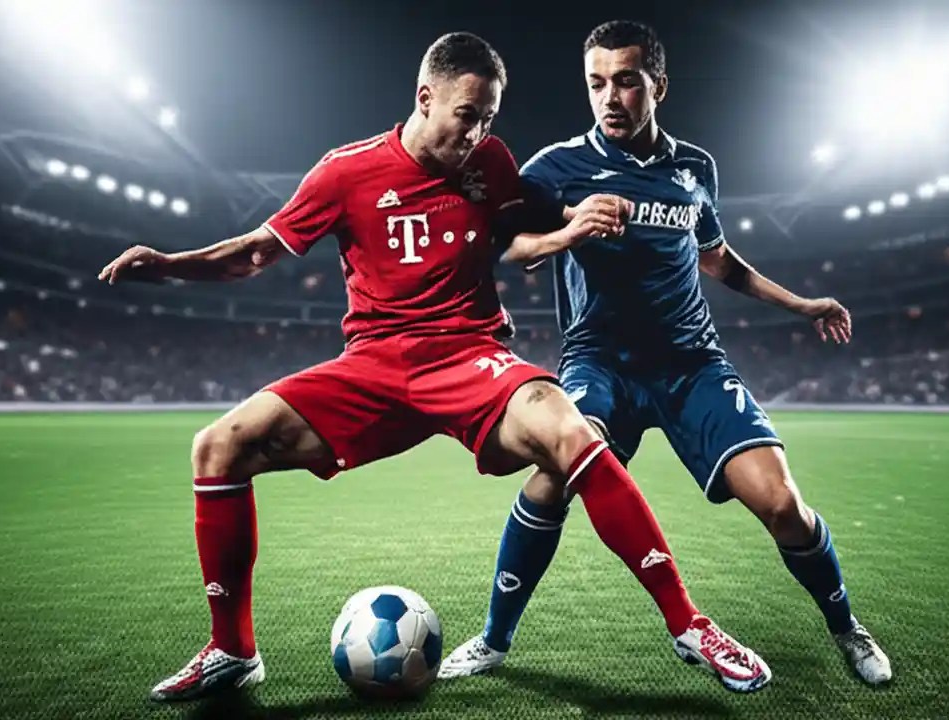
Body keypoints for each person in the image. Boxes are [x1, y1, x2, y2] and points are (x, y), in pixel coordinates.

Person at [99, 31, 769, 703]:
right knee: (217, 447)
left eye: (489, 120)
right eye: (467, 116)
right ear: (426, 98)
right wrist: (169, 265)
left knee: (575, 436)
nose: (477, 134)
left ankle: (690, 625)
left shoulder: (493, 165)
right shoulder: (345, 171)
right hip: (374, 365)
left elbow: (525, 239)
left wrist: (572, 225)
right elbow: (253, 254)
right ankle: (232, 649)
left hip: (469, 355)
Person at [440, 21, 891, 686]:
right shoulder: (556, 168)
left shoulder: (695, 168)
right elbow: (509, 248)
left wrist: (801, 304)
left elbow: (719, 260)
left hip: (692, 367)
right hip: (600, 366)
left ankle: (846, 626)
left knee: (783, 505)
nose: (609, 97)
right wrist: (568, 230)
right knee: (551, 482)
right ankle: (494, 639)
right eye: (596, 83)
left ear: (659, 84)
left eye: (626, 80)